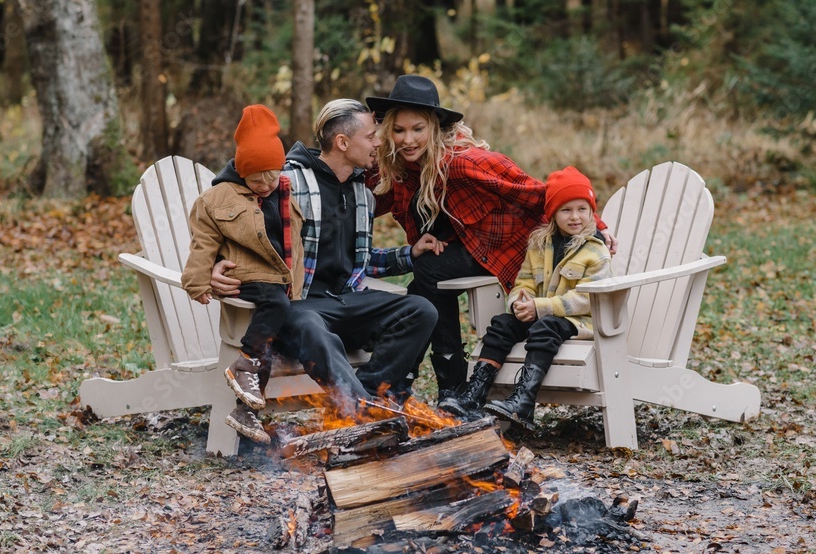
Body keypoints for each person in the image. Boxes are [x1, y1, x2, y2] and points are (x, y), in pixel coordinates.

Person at [366, 75, 615, 404]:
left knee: (426, 273)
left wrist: (594, 223)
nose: (408, 139)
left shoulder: (467, 163)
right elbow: (361, 195)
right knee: (420, 291)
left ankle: (431, 386)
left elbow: (538, 193)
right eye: (399, 130)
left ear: (435, 128)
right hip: (463, 251)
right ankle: (424, 389)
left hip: (509, 253)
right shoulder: (399, 170)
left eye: (417, 129)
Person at [209, 99, 440, 416]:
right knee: (311, 324)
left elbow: (359, 261)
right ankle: (359, 410)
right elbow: (228, 193)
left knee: (420, 309)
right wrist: (215, 263)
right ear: (343, 142)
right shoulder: (289, 180)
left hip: (346, 302)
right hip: (298, 308)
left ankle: (370, 397)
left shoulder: (361, 191)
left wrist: (408, 255)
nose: (378, 142)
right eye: (371, 135)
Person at [440, 166, 613, 430]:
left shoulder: (596, 251)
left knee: (546, 326)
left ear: (592, 212)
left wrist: (540, 307)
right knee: (503, 323)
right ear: (553, 214)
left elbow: (586, 299)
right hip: (540, 313)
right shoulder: (539, 245)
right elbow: (525, 282)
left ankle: (523, 402)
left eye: (582, 209)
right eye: (566, 210)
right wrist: (520, 303)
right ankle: (474, 395)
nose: (575, 216)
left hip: (581, 322)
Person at [181, 105, 302, 444]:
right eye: (256, 177)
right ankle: (245, 362)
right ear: (240, 170)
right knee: (275, 308)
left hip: (279, 279)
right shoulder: (217, 199)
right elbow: (203, 242)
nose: (265, 183)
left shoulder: (285, 191)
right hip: (245, 276)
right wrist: (197, 279)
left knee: (271, 328)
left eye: (271, 174)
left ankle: (245, 410)